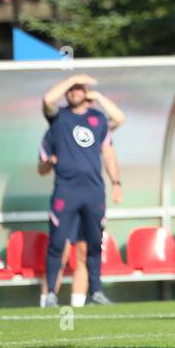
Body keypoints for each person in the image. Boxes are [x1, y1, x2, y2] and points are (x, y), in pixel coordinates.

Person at [38, 74, 124, 307]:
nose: (74, 92)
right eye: (71, 89)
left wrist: (116, 183)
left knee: (94, 243)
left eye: (79, 88)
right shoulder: (59, 119)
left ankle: (95, 292)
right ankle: (51, 296)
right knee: (58, 243)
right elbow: (47, 99)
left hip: (93, 191)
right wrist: (72, 78)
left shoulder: (97, 119)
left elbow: (111, 144)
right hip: (66, 190)